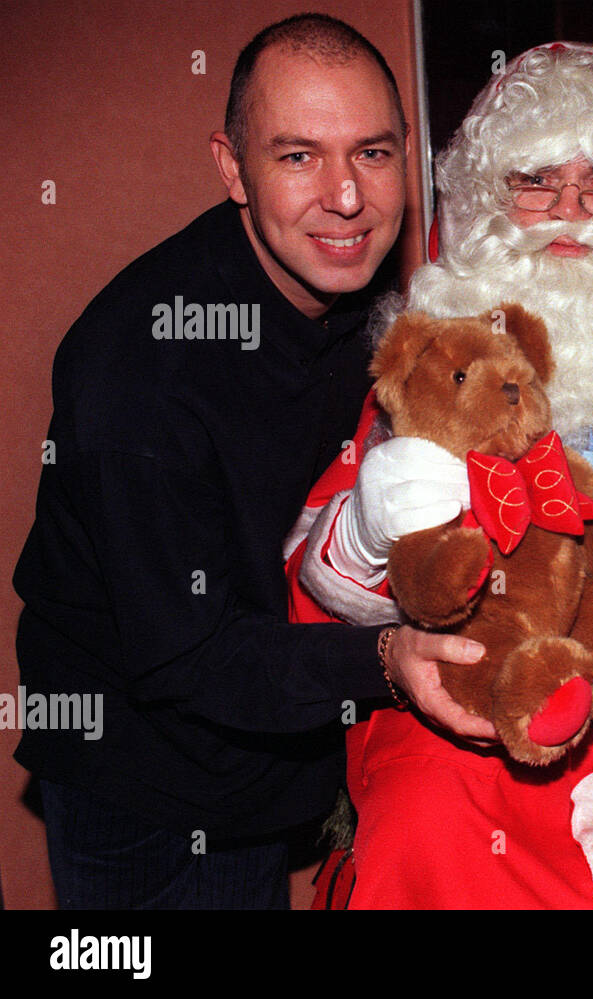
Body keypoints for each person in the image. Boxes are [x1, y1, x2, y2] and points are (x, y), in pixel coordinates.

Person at [286, 42, 593, 909]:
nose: (571, 212)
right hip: (469, 712)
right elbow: (319, 586)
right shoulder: (434, 344)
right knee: (423, 835)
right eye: (535, 181)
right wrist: (375, 527)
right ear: (489, 201)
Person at [13, 13, 481, 909]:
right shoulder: (139, 370)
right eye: (298, 156)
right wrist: (385, 659)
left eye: (373, 154)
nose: (345, 198)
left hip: (270, 733)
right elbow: (186, 655)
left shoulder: (350, 283)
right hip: (142, 771)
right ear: (232, 166)